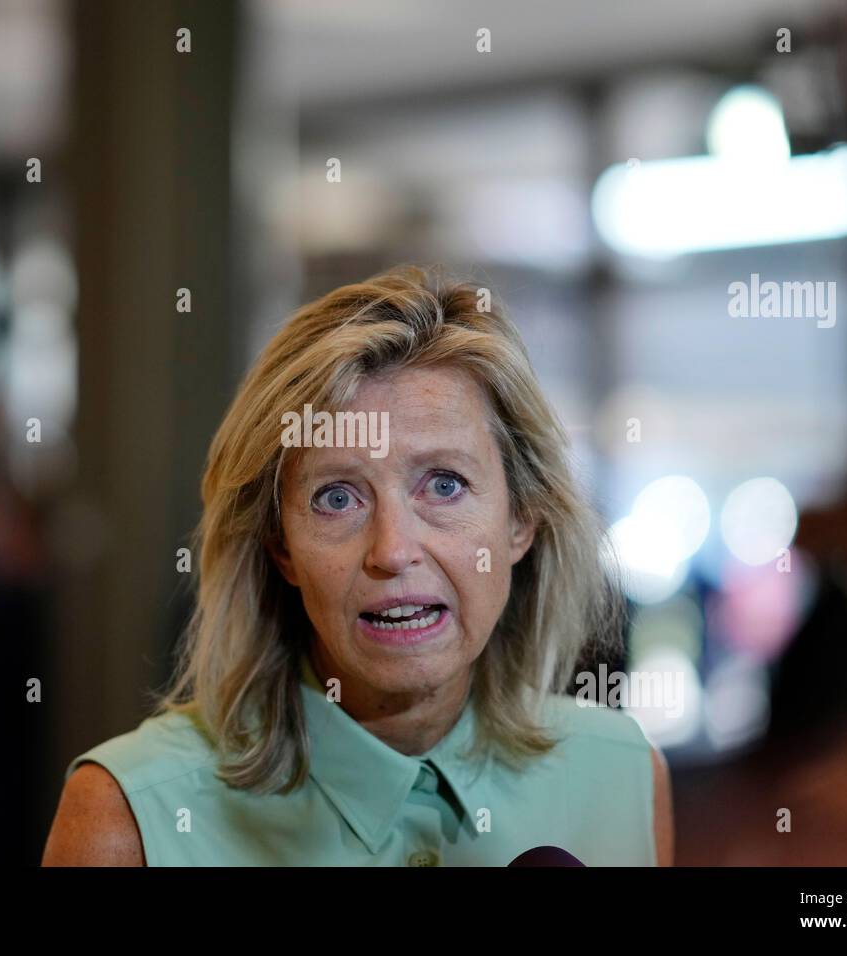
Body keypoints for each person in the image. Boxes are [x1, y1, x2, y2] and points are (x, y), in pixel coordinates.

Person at [43, 265, 673, 866]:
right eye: (337, 498)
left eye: (445, 485)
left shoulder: (622, 777)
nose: (392, 550)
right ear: (280, 547)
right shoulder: (127, 817)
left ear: (521, 520)